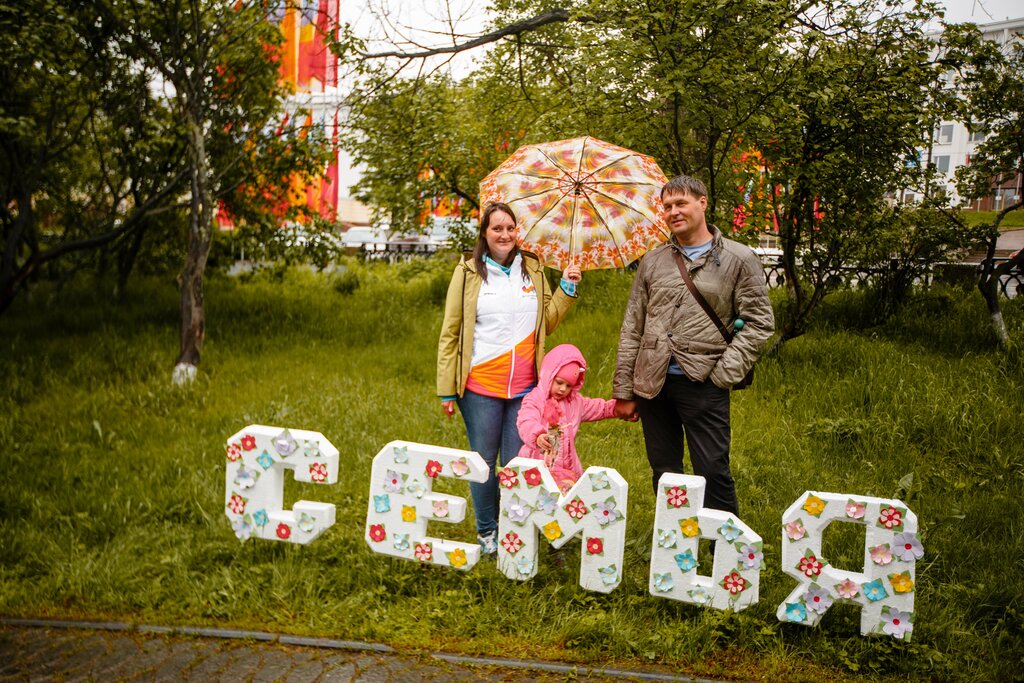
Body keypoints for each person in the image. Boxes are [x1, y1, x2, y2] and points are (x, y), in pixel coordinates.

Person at [612, 175, 774, 515]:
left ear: (702, 203)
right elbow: (633, 326)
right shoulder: (652, 261)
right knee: (665, 473)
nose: (673, 211)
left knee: (713, 471)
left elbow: (760, 323)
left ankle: (723, 553)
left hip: (704, 381)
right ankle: (675, 548)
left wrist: (723, 374)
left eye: (681, 203)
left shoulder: (738, 259)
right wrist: (624, 390)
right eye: (667, 206)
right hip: (652, 384)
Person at [437, 202, 581, 555]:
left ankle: (513, 528)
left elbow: (544, 324)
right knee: (484, 463)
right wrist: (446, 390)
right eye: (496, 228)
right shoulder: (469, 272)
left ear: (518, 233)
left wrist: (566, 289)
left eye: (510, 228)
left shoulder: (532, 269)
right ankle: (488, 533)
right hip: (480, 387)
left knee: (518, 464)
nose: (504, 234)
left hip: (525, 390)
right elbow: (451, 332)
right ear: (485, 234)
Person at [515, 343, 617, 493]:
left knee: (565, 508)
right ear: (549, 375)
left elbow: (598, 408)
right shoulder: (535, 399)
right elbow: (526, 420)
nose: (563, 389)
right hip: (537, 466)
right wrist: (537, 436)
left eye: (569, 386)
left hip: (568, 469)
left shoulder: (575, 402)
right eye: (559, 382)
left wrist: (616, 408)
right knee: (539, 505)